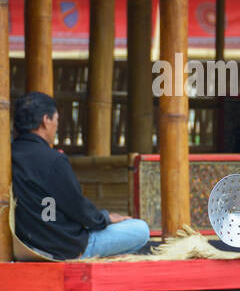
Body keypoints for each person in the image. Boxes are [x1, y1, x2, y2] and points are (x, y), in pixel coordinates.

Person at [10, 91, 150, 259]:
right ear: (46, 121)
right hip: (64, 247)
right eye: (57, 120)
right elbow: (77, 208)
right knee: (140, 229)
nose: (56, 126)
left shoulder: (7, 156)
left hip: (24, 246)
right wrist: (104, 218)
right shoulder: (53, 159)